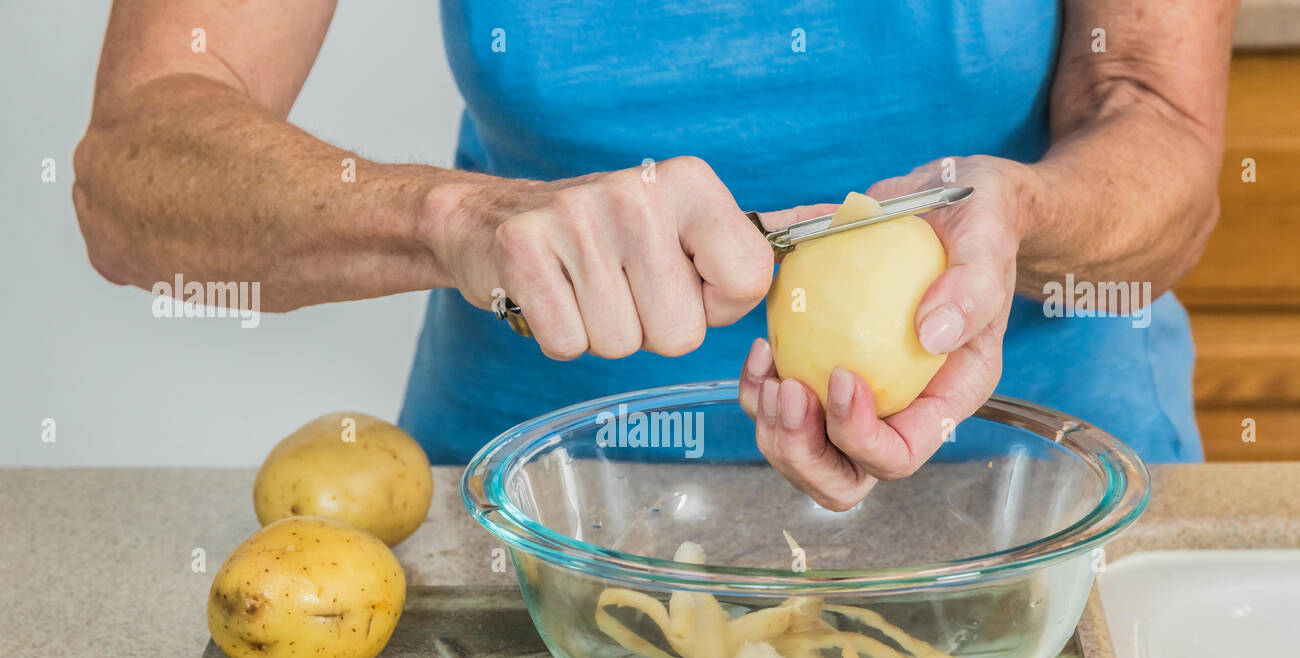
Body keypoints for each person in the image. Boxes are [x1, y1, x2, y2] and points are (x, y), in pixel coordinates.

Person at [74, 0, 1236, 510]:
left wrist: (1024, 212)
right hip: (545, 513)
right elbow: (134, 171)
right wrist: (457, 217)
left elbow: (1166, 146)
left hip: (1029, 500)